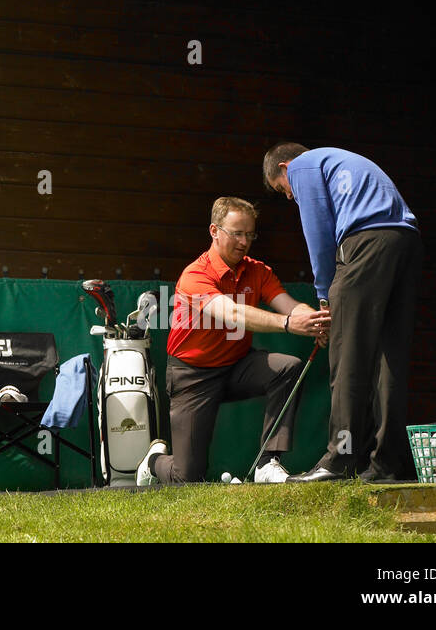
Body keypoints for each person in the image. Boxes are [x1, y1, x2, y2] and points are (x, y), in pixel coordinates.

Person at [137, 197, 329, 486]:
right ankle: (154, 461)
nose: (244, 242)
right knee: (187, 478)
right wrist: (290, 325)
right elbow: (233, 313)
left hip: (236, 366)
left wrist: (314, 320)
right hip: (192, 376)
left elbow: (289, 305)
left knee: (289, 367)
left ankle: (268, 464)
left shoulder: (258, 271)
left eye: (250, 234)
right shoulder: (194, 275)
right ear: (214, 231)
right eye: (236, 233)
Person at [263, 143, 422, 483]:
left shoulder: (303, 166)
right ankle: (387, 465)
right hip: (405, 241)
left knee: (347, 357)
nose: (290, 197)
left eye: (282, 190)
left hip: (365, 242)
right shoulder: (338, 161)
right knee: (387, 359)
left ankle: (340, 459)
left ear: (285, 168)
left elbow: (318, 232)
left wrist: (325, 296)